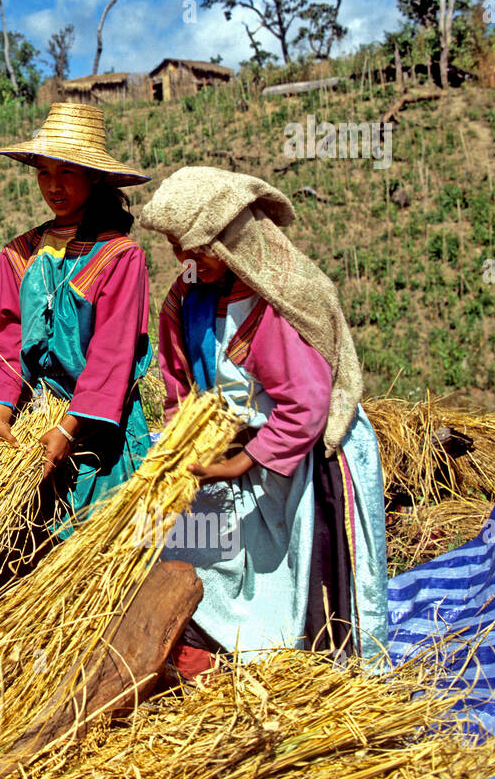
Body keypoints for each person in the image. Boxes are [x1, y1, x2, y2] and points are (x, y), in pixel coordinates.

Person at [137, 166, 388, 675]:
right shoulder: (187, 300)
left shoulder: (281, 302)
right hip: (228, 449)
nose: (184, 260)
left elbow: (306, 404)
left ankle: (300, 667)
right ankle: (208, 650)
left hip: (303, 456)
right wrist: (187, 445)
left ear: (231, 240)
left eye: (195, 248)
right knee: (185, 539)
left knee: (298, 581)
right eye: (174, 247)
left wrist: (244, 461)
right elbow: (178, 381)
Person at [0, 102, 153, 639]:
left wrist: (69, 427)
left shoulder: (119, 257)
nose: (53, 186)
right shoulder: (19, 252)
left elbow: (112, 354)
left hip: (100, 432)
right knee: (6, 552)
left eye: (68, 172)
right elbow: (1, 338)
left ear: (96, 178)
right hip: (29, 430)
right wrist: (2, 411)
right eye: (44, 172)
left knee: (94, 552)